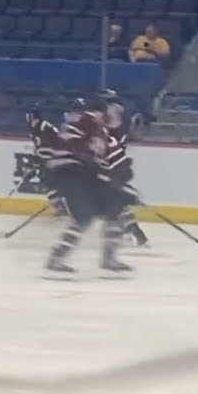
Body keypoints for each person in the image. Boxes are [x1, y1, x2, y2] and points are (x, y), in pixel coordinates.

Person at [43, 97, 133, 275]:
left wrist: (117, 185)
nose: (116, 116)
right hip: (71, 174)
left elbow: (104, 162)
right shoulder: (86, 122)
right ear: (104, 110)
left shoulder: (101, 131)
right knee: (84, 214)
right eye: (114, 111)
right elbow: (73, 149)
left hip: (83, 176)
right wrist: (89, 162)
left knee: (116, 206)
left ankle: (108, 258)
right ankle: (57, 257)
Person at [98, 88, 149, 247]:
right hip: (116, 160)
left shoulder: (111, 113)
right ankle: (131, 233)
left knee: (114, 202)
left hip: (110, 163)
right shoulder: (119, 112)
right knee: (115, 202)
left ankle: (131, 233)